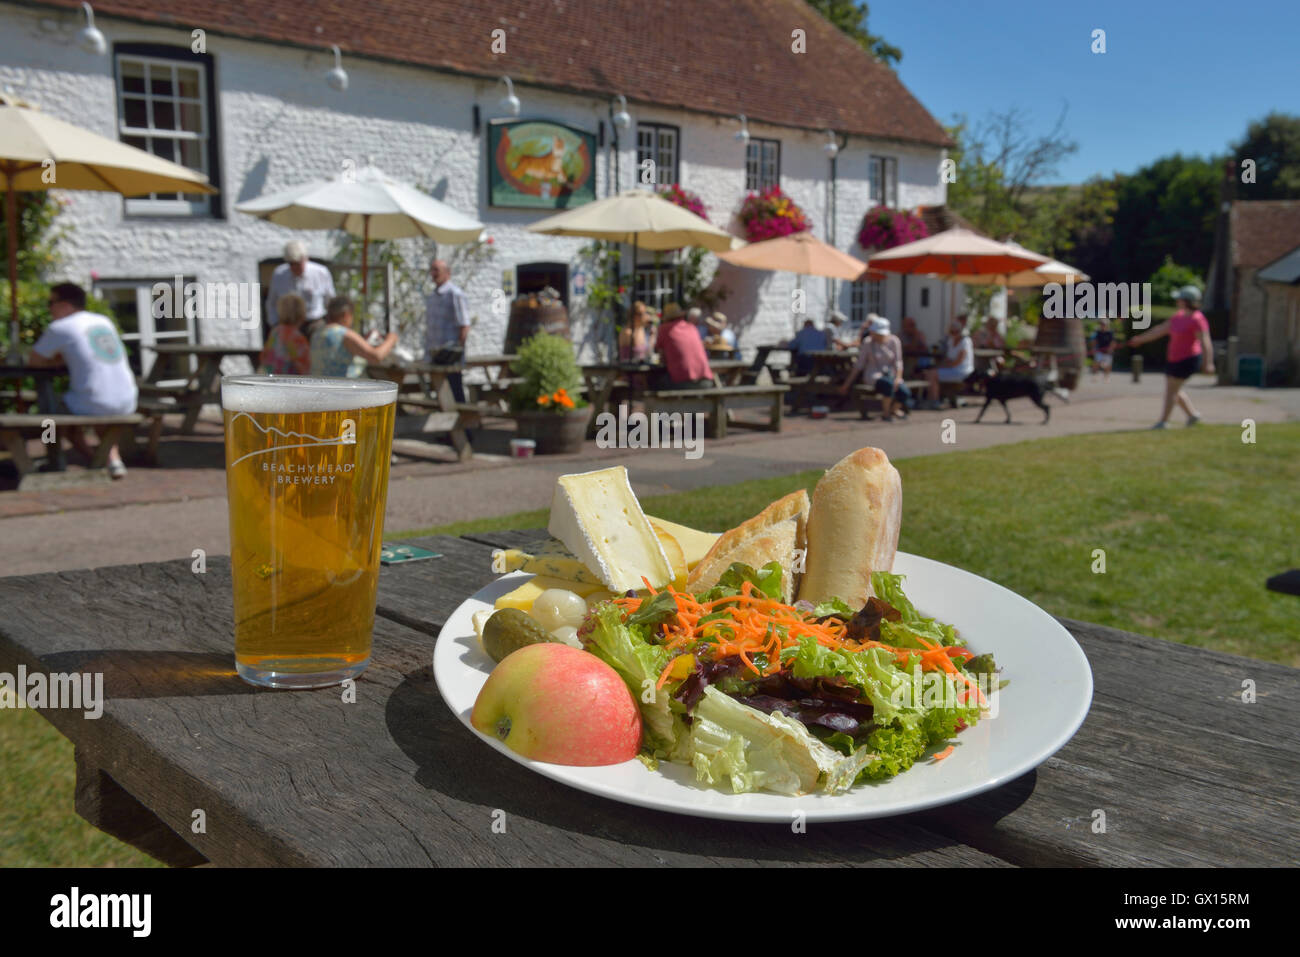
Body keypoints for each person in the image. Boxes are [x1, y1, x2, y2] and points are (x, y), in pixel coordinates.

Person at [27, 282, 137, 478]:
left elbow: (34, 361)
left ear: (65, 304)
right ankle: (113, 460)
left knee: (49, 416)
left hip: (96, 401)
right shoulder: (103, 321)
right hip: (128, 399)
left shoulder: (60, 327)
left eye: (50, 302)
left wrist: (55, 362)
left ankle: (76, 459)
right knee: (95, 401)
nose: (49, 308)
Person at [1120, 285, 1213, 428]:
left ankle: (1163, 422)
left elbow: (1205, 342)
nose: (1177, 301)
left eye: (1179, 299)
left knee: (1171, 391)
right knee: (1174, 390)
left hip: (1188, 359)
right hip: (1174, 359)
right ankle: (1193, 415)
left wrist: (1208, 363)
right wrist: (1139, 339)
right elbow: (1159, 330)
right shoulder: (1178, 317)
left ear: (1187, 301)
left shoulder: (1197, 319)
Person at [839, 315, 910, 421]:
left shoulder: (894, 341)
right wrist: (847, 384)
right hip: (873, 375)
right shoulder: (868, 342)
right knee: (888, 386)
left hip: (891, 374)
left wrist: (898, 378)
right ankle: (886, 414)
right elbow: (859, 365)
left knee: (904, 392)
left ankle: (893, 410)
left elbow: (898, 362)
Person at [310, 296, 398, 379]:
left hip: (322, 387)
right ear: (346, 315)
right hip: (345, 389)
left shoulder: (317, 334)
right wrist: (391, 339)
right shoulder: (344, 333)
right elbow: (376, 356)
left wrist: (362, 341)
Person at [264, 240, 336, 340]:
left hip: (314, 324)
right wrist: (274, 324)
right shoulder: (279, 274)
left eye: (298, 263)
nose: (295, 267)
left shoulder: (320, 272)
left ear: (306, 258)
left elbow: (330, 301)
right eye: (291, 264)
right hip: (287, 326)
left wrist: (331, 324)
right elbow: (272, 303)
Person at [424, 258, 471, 402]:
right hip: (435, 355)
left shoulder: (455, 294)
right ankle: (450, 422)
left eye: (436, 270)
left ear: (447, 273)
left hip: (450, 356)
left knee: (455, 391)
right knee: (440, 394)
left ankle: (466, 423)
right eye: (432, 270)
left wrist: (457, 352)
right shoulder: (432, 296)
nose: (433, 273)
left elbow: (464, 325)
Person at [654, 302, 714, 388]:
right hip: (706, 381)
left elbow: (662, 358)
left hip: (683, 381)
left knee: (653, 382)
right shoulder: (692, 327)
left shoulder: (664, 329)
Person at [923, 315, 974, 408]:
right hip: (952, 369)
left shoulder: (965, 341)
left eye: (956, 331)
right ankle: (931, 399)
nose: (954, 333)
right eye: (952, 331)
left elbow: (957, 362)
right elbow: (948, 359)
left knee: (932, 374)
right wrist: (942, 365)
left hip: (962, 371)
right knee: (929, 373)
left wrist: (942, 366)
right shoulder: (950, 340)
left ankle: (934, 400)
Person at [258, 293, 312, 375]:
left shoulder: (275, 332)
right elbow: (305, 366)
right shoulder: (297, 338)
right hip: (290, 382)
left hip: (271, 378)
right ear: (301, 314)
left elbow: (265, 356)